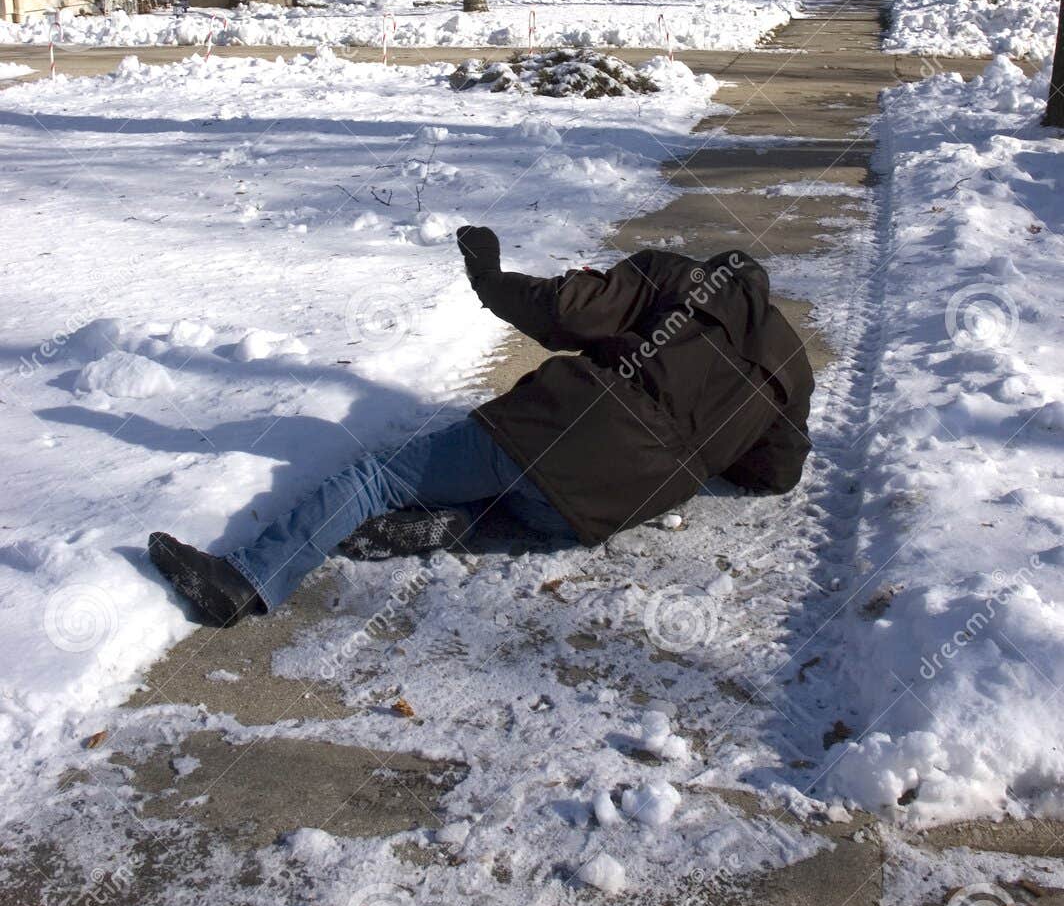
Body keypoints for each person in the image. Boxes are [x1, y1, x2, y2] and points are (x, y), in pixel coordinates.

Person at [149, 228, 814, 626]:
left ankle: (246, 583)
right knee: (543, 505)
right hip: (624, 503)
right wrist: (710, 442)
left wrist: (490, 280)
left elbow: (568, 311)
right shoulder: (791, 362)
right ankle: (460, 524)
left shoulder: (682, 277)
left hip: (562, 431)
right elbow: (778, 474)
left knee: (377, 475)